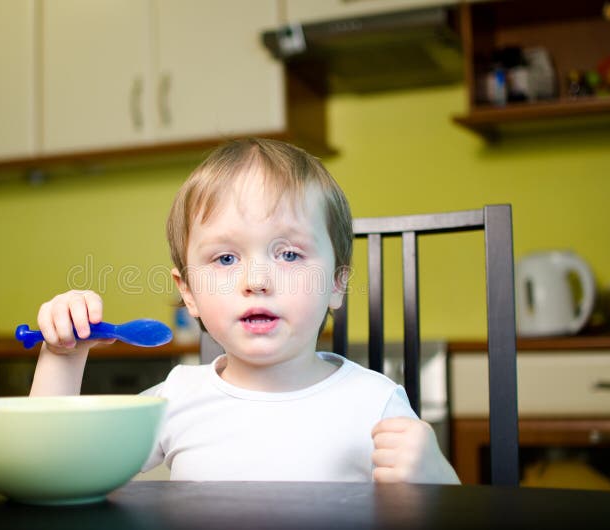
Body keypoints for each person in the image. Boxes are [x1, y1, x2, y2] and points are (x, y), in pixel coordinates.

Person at [30, 138, 459, 485]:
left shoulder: (375, 402)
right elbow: (51, 468)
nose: (257, 279)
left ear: (336, 284)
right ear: (189, 292)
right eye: (226, 259)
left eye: (289, 254)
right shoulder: (176, 398)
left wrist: (435, 479)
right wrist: (62, 357)